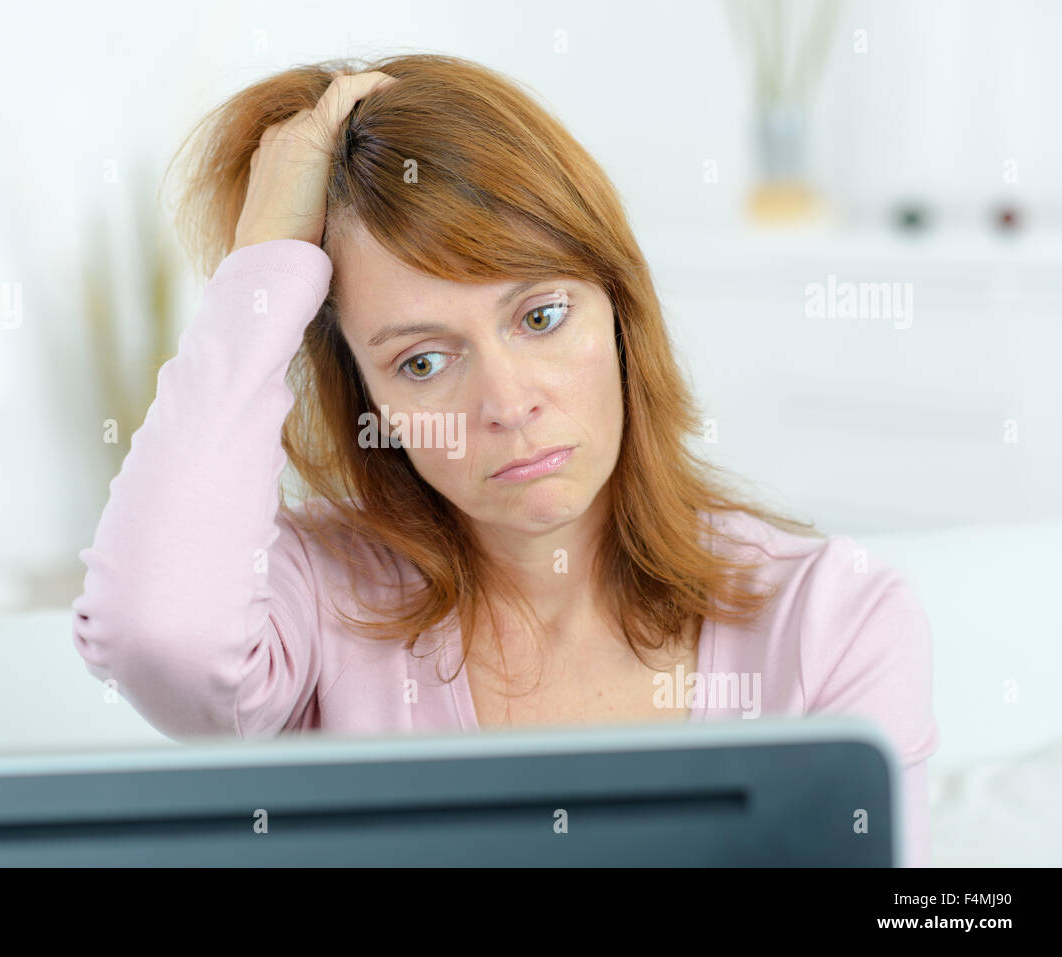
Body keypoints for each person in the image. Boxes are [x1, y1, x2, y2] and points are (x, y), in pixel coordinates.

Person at [71, 55, 938, 866]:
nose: (508, 403)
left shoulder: (830, 622)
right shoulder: (316, 608)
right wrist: (260, 269)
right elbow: (158, 633)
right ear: (366, 398)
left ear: (621, 311)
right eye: (422, 361)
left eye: (541, 316)